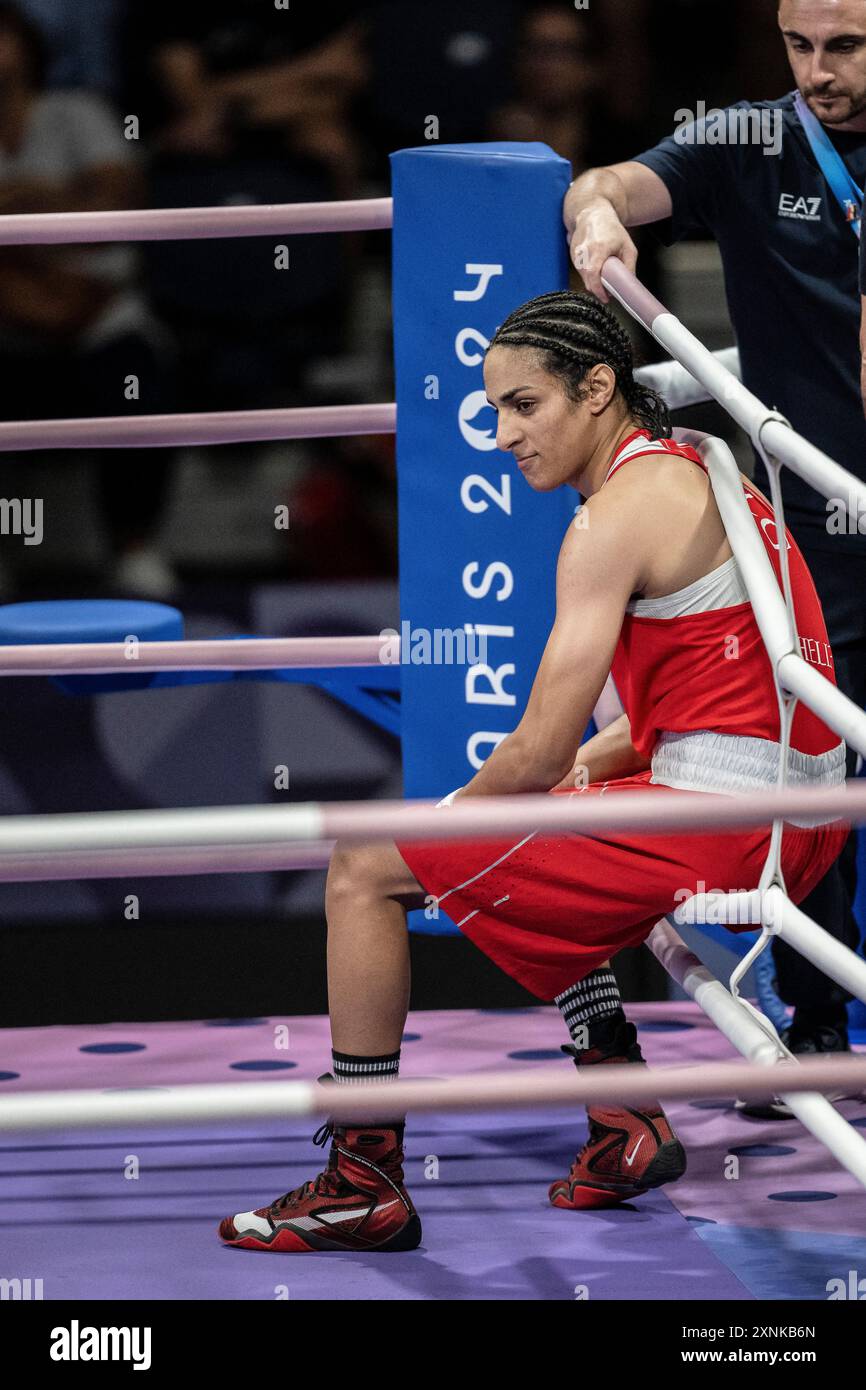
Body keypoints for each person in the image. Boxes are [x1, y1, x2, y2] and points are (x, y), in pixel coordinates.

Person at [218, 292, 849, 1253]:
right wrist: (536, 793)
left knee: (363, 865)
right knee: (547, 810)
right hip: (789, 808)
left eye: (524, 405)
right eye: (495, 410)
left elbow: (541, 743)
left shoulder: (612, 519)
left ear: (597, 389)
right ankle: (623, 1112)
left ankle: (364, 1180)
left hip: (735, 824)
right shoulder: (696, 464)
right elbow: (658, 723)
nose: (502, 436)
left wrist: (445, 824)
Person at [563, 0, 866, 1111]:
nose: (817, 71)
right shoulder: (749, 139)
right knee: (816, 783)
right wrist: (597, 221)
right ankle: (817, 1029)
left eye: (844, 46)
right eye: (800, 45)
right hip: (820, 550)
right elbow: (608, 183)